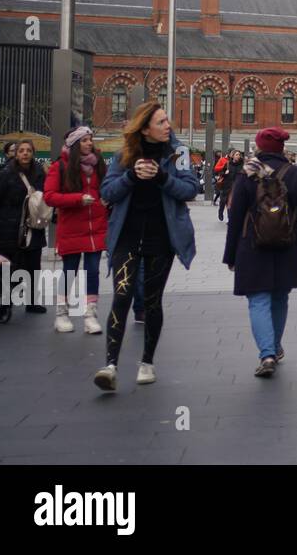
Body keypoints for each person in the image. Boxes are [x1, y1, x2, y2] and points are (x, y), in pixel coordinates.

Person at [94, 103, 200, 391]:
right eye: (161, 121)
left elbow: (190, 189)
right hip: (126, 235)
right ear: (145, 128)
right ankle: (110, 365)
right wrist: (131, 176)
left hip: (161, 237)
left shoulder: (178, 154)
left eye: (167, 120)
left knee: (152, 301)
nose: (168, 125)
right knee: (121, 294)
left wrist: (161, 177)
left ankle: (147, 362)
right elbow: (107, 192)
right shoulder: (125, 156)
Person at [223, 127, 297, 378]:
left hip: (252, 245)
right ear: (281, 149)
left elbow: (235, 217)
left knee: (258, 299)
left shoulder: (247, 174)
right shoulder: (294, 174)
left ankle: (266, 353)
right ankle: (275, 347)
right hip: (287, 245)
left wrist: (231, 254)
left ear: (259, 148)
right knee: (280, 297)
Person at [42, 125, 108, 334]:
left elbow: (104, 189)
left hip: (96, 227)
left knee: (92, 271)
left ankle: (90, 315)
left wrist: (105, 200)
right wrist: (78, 199)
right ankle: (61, 313)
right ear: (74, 144)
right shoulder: (60, 166)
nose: (89, 143)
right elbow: (50, 196)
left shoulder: (98, 164)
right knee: (69, 271)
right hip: (71, 228)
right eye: (85, 140)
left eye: (90, 139)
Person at [0, 139, 48, 316]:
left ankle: (32, 301)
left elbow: (45, 197)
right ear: (16, 154)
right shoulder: (5, 173)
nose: (25, 153)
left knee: (33, 264)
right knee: (3, 266)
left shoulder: (39, 173)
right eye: (21, 151)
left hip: (32, 226)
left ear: (33, 153)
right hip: (7, 227)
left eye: (28, 150)